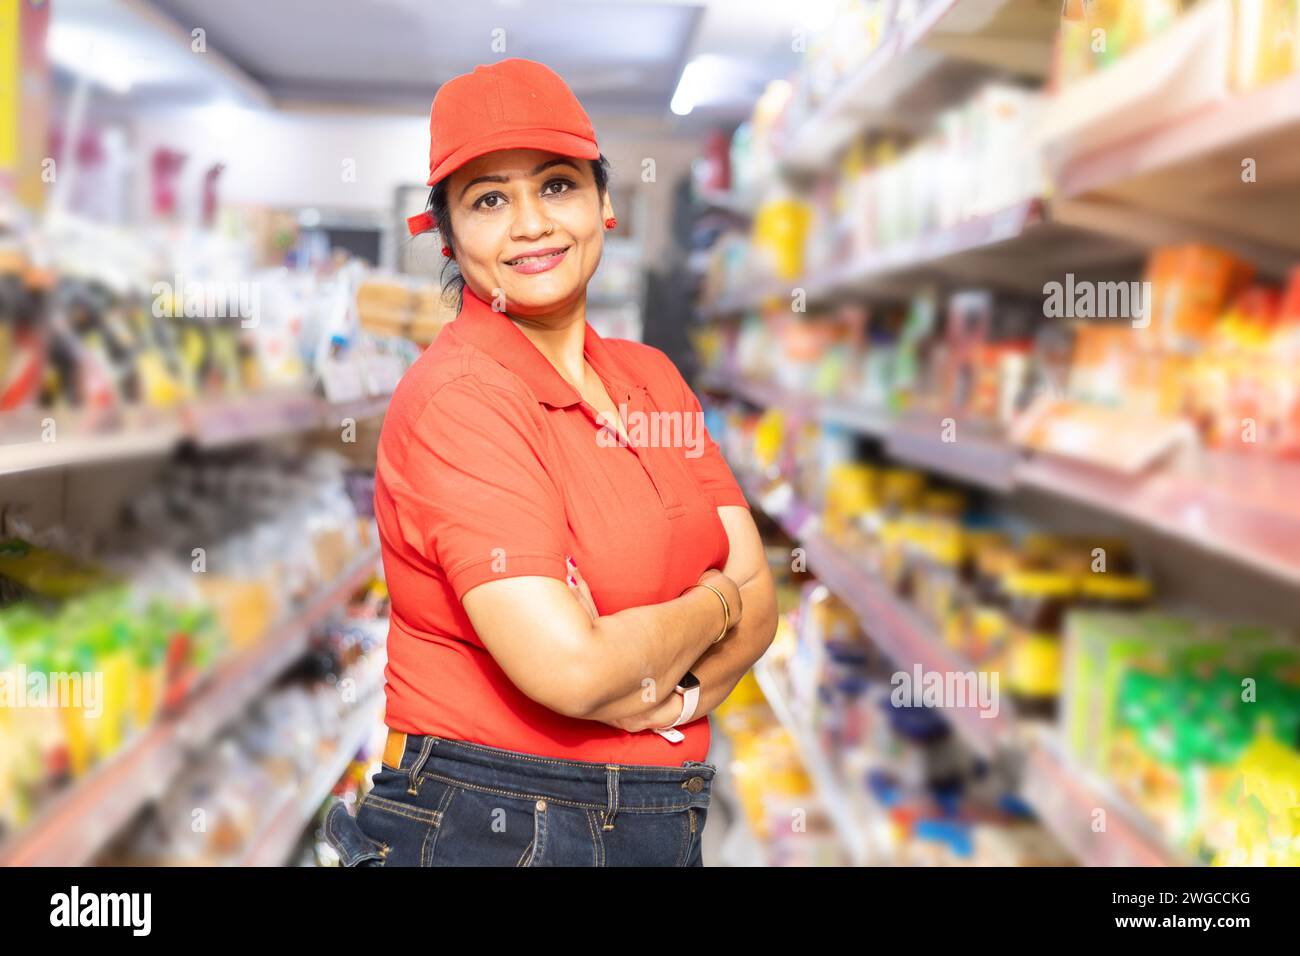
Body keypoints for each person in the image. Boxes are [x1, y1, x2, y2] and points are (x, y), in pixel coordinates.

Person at [323, 58, 777, 867]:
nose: (531, 223)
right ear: (450, 235)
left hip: (656, 818)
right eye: (489, 199)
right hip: (490, 824)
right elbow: (570, 667)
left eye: (557, 185)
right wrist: (713, 603)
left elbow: (763, 601)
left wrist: (659, 685)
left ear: (604, 204)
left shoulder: (652, 377)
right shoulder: (459, 401)